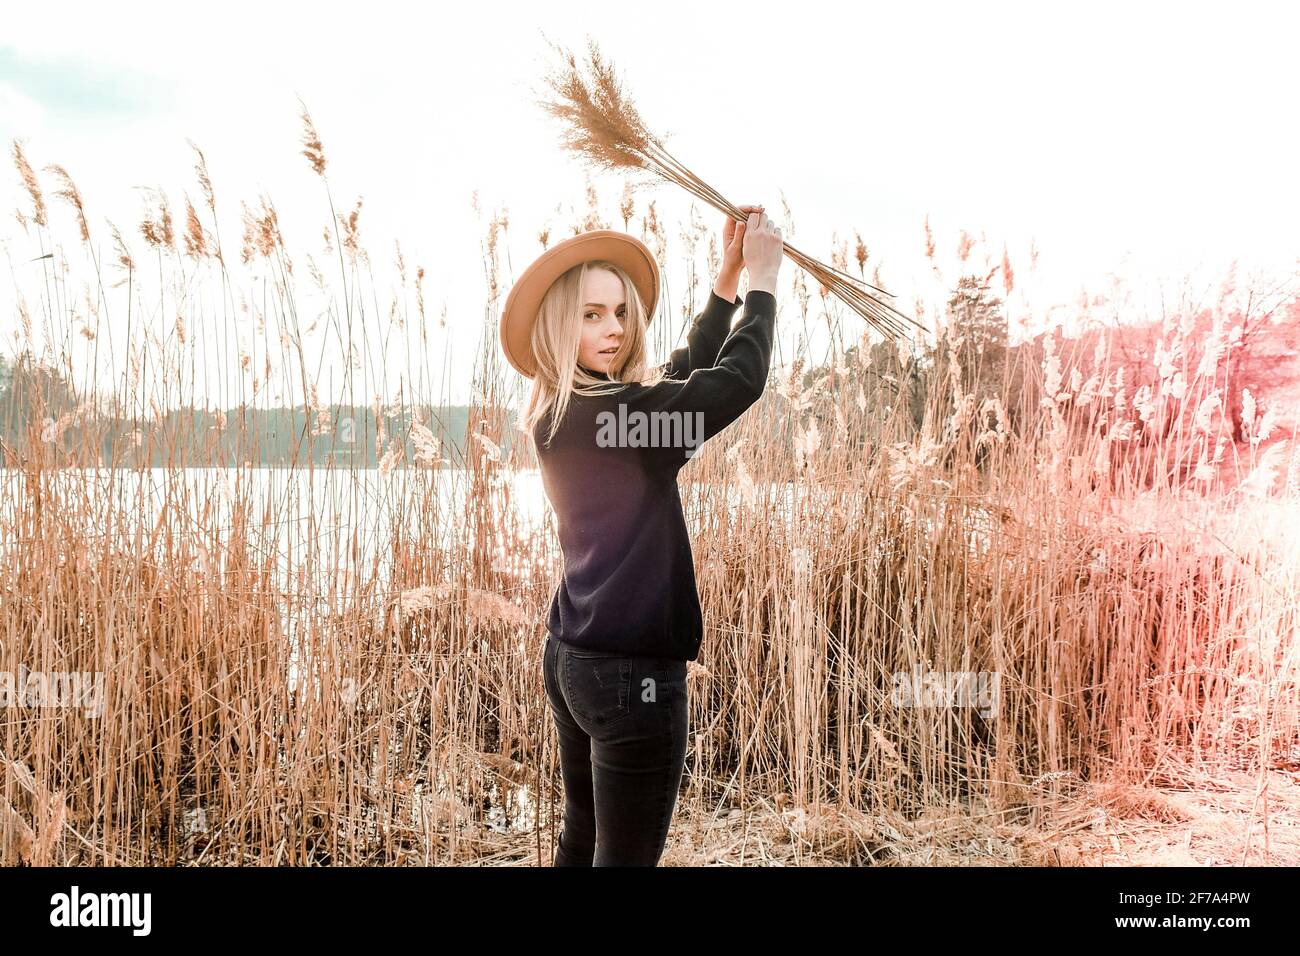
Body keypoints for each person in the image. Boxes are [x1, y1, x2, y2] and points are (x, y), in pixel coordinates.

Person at [499, 207, 783, 865]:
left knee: (581, 838)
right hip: (634, 679)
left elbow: (675, 378)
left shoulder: (561, 411)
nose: (614, 328)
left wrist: (725, 282)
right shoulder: (625, 421)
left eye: (621, 312)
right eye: (591, 314)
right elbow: (734, 384)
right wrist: (762, 284)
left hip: (571, 659)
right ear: (556, 324)